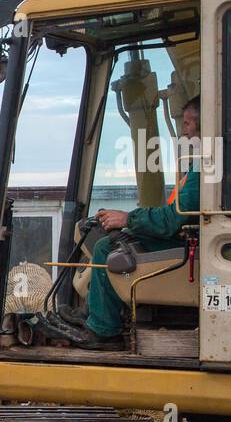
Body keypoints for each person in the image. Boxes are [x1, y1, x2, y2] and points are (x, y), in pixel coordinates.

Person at [46, 96, 202, 350]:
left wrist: (128, 218)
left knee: (109, 248)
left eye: (187, 123)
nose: (184, 130)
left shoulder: (205, 167)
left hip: (188, 247)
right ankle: (95, 316)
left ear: (203, 123)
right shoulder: (203, 165)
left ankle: (104, 331)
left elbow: (170, 221)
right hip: (187, 239)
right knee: (115, 240)